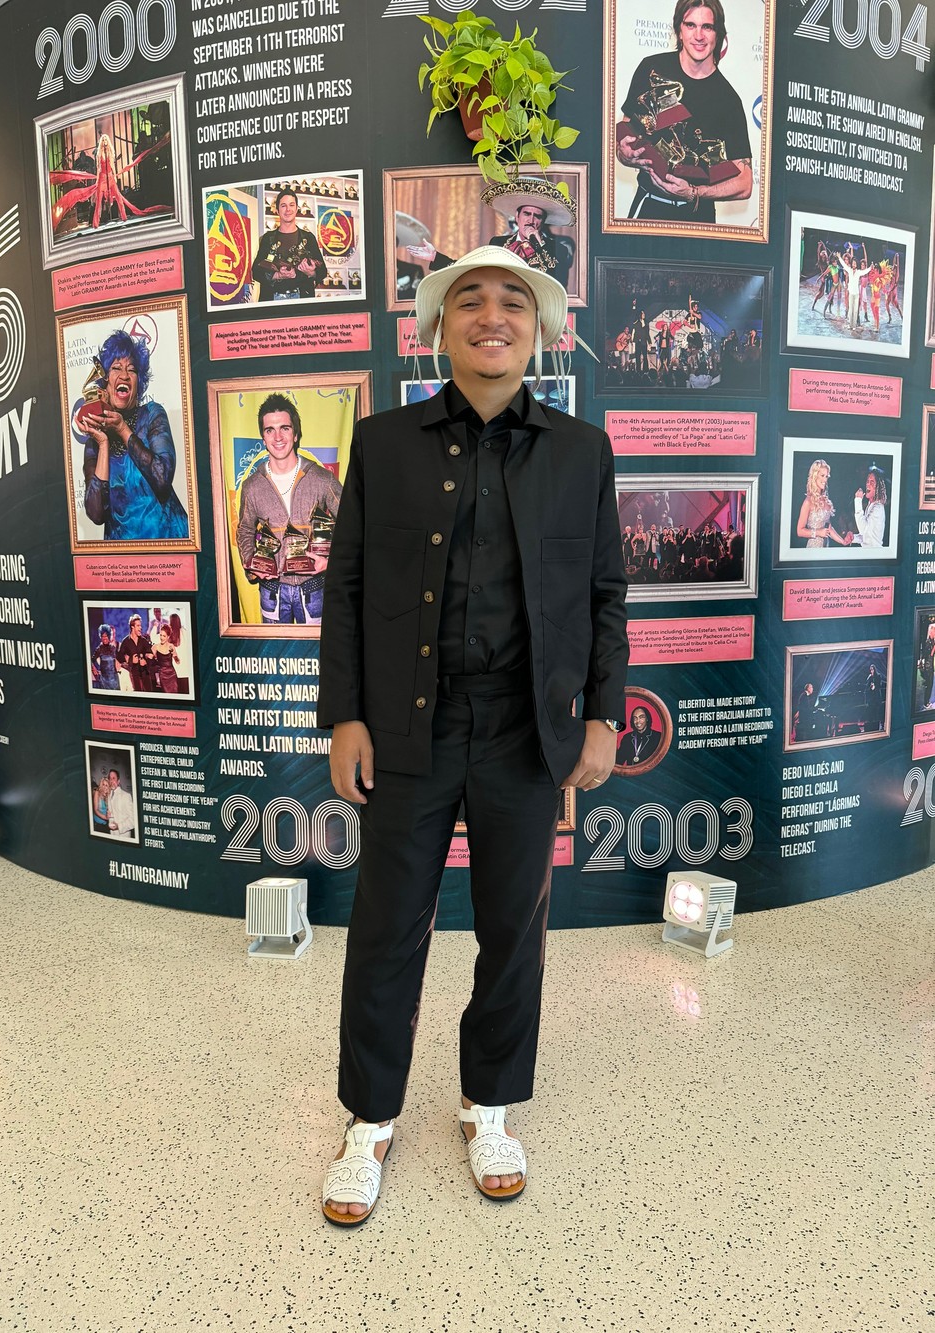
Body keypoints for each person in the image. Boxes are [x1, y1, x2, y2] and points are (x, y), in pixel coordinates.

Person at [316, 246, 629, 1225]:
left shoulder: (580, 449)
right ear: (440, 325)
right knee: (386, 929)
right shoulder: (384, 441)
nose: (491, 317)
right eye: (469, 302)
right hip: (409, 723)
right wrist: (346, 714)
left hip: (522, 729)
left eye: (512, 303)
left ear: (537, 327)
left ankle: (487, 1105)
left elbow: (604, 594)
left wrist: (604, 712)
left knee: (512, 929)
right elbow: (348, 589)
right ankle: (368, 1121)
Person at [616, 1, 752, 224]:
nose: (698, 35)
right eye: (690, 25)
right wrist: (625, 155)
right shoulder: (650, 69)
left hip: (699, 216)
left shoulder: (729, 100)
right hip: (648, 207)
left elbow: (745, 183)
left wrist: (694, 193)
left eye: (707, 27)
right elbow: (624, 142)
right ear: (679, 30)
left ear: (718, 34)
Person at [235, 394, 343, 626]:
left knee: (316, 658)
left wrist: (330, 560)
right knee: (275, 656)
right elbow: (244, 529)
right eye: (270, 430)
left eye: (285, 428)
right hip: (271, 590)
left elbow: (352, 523)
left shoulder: (323, 479)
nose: (278, 437)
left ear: (295, 434)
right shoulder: (252, 486)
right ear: (263, 437)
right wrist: (252, 562)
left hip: (314, 588)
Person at [82, 330, 190, 542]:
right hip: (126, 560)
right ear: (105, 383)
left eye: (131, 370)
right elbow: (96, 514)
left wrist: (122, 429)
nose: (124, 375)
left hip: (169, 546)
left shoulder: (151, 415)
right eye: (115, 368)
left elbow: (162, 478)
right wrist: (103, 443)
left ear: (138, 382)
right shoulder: (94, 442)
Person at [408, 178, 576, 292]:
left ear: (543, 221)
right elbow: (472, 268)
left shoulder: (557, 249)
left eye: (537, 216)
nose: (531, 220)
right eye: (526, 214)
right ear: (517, 217)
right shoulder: (498, 243)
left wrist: (539, 245)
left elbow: (558, 284)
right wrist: (435, 257)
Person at [251, 188, 326, 301]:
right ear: (277, 210)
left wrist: (311, 272)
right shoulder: (268, 238)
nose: (288, 210)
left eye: (291, 205)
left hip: (302, 299)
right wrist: (277, 275)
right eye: (283, 205)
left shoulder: (308, 238)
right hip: (272, 300)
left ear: (296, 209)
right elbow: (256, 271)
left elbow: (323, 272)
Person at [796, 459, 845, 548]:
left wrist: (843, 541)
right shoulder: (808, 501)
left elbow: (829, 529)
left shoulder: (826, 500)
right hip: (813, 549)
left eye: (826, 476)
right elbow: (800, 531)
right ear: (815, 476)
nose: (825, 480)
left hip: (825, 547)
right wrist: (818, 532)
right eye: (822, 475)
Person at [847, 465, 887, 548]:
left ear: (878, 487)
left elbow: (863, 530)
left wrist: (858, 501)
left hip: (875, 554)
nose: (868, 484)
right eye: (867, 481)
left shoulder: (878, 508)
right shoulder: (871, 505)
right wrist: (853, 538)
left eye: (872, 482)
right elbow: (867, 536)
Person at [116, 614, 156, 692]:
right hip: (134, 676)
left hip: (145, 675)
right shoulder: (126, 642)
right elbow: (120, 657)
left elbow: (151, 657)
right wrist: (130, 660)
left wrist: (146, 661)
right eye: (138, 626)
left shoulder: (144, 641)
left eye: (140, 626)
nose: (140, 628)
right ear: (132, 627)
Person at [106, 767, 135, 839]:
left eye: (113, 778)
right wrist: (108, 816)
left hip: (123, 836)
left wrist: (119, 826)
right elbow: (112, 815)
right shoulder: (109, 796)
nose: (111, 781)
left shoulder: (126, 796)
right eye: (110, 778)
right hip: (112, 835)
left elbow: (133, 820)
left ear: (118, 781)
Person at [91, 624, 120, 691]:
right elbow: (92, 660)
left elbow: (120, 660)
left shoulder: (113, 648)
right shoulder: (99, 649)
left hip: (114, 679)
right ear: (100, 636)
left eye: (106, 636)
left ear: (109, 636)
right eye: (102, 636)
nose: (104, 638)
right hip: (104, 679)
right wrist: (94, 669)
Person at [153, 623, 181, 693]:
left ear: (168, 637)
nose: (161, 638)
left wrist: (174, 654)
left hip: (172, 674)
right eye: (161, 635)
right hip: (162, 675)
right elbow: (150, 661)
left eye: (164, 636)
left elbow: (178, 661)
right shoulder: (156, 647)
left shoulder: (171, 646)